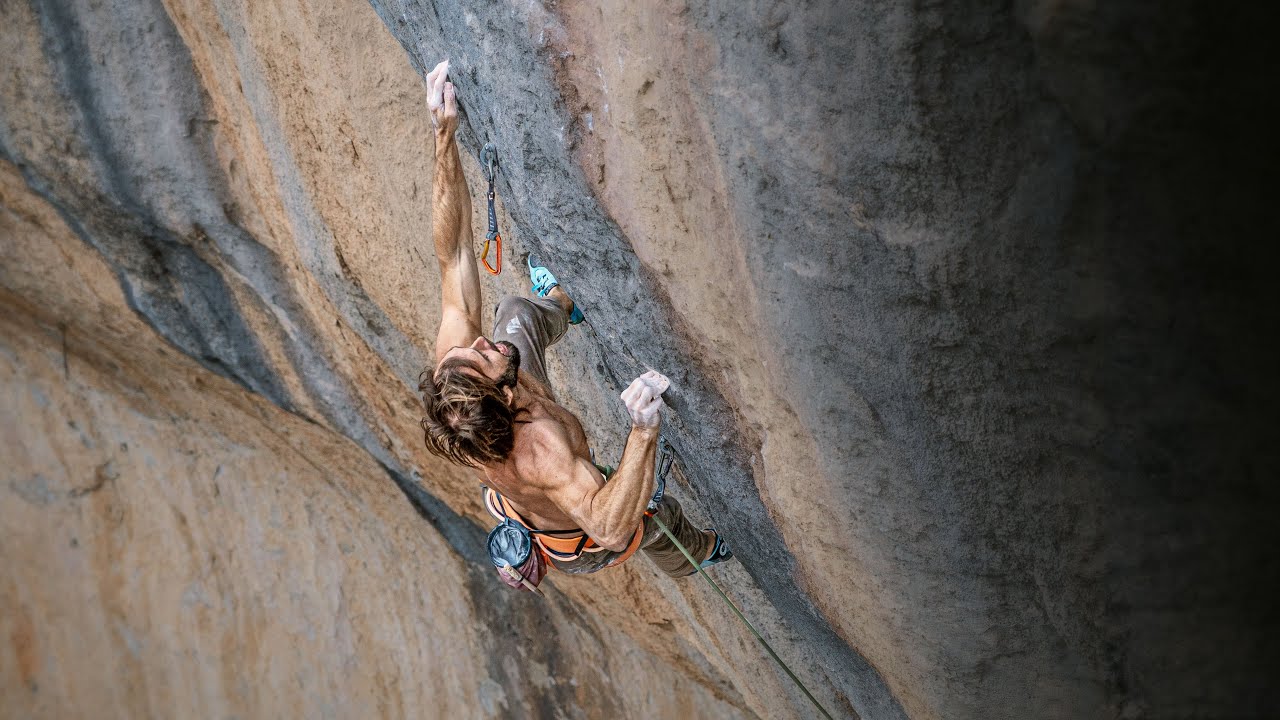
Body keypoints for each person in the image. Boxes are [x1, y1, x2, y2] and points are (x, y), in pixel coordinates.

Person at [416, 60, 732, 589]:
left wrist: (443, 135)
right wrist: (642, 430)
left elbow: (453, 254)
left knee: (516, 314)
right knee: (655, 522)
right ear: (506, 396)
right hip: (575, 538)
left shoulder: (460, 373)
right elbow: (608, 526)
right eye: (481, 356)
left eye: (468, 353)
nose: (474, 342)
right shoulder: (542, 453)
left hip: (518, 474)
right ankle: (702, 553)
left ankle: (563, 302)